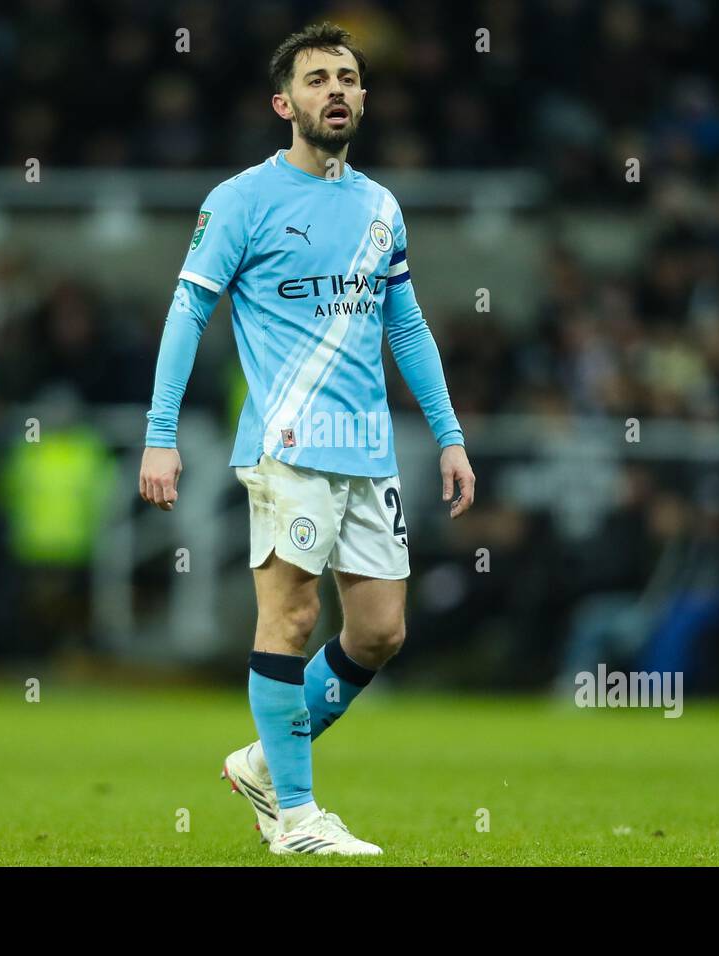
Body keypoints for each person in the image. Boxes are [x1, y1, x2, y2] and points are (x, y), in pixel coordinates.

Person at [139, 22, 474, 855]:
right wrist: (160, 432)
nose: (337, 90)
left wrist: (451, 435)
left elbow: (406, 328)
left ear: (364, 97)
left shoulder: (379, 208)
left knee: (379, 633)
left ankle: (262, 761)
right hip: (287, 446)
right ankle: (295, 816)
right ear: (283, 102)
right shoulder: (241, 201)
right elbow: (188, 311)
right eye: (318, 78)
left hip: (369, 452)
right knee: (288, 620)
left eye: (349, 78)